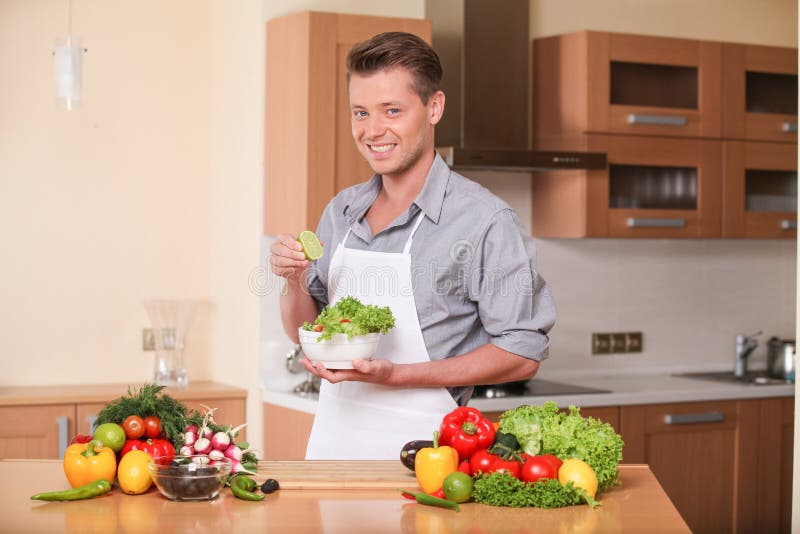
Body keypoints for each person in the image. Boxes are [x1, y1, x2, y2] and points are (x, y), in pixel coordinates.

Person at [269, 31, 555, 460]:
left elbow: (522, 352)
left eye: (393, 111)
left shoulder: (483, 221)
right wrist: (293, 281)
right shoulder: (341, 212)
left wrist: (396, 375)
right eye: (360, 112)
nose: (372, 130)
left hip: (429, 460)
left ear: (434, 107)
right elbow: (302, 332)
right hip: (332, 453)